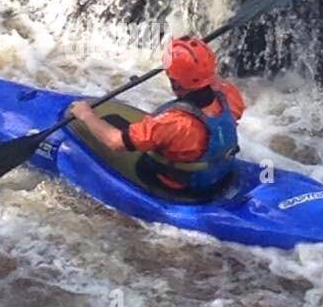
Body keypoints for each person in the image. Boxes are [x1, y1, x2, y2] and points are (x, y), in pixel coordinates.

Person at [70, 36, 245, 196]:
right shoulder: (230, 95)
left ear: (175, 81)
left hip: (177, 185)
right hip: (218, 175)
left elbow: (115, 142)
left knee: (119, 138)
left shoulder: (173, 123)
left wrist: (85, 114)